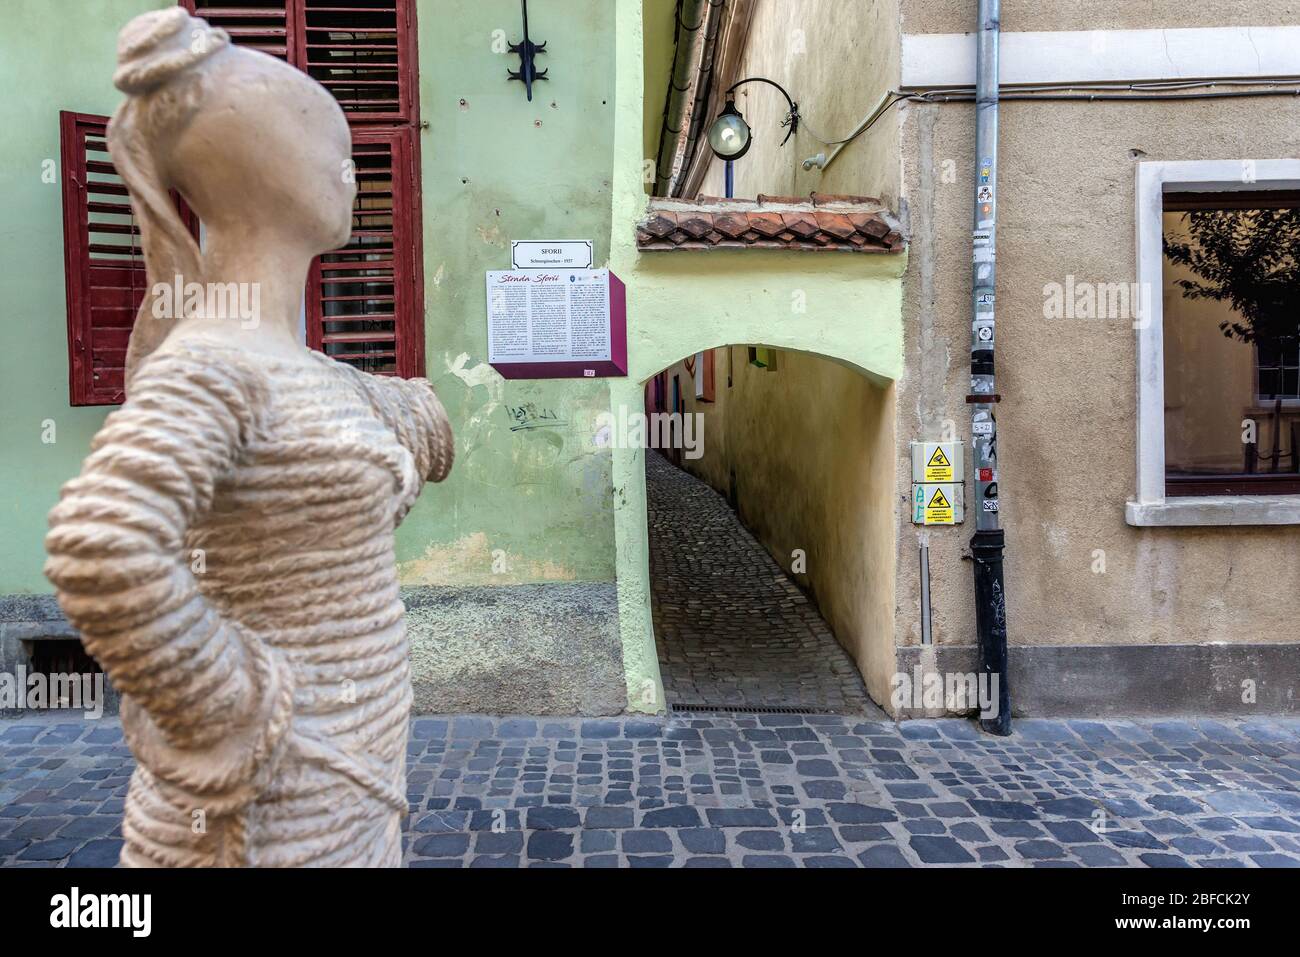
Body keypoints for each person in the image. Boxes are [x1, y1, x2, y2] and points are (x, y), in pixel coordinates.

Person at [44, 7, 452, 867]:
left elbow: (356, 439)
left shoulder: (285, 364)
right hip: (264, 816)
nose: (352, 169)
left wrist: (407, 418)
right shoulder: (215, 364)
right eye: (332, 144)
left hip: (351, 787)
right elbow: (102, 549)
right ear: (269, 168)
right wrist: (235, 710)